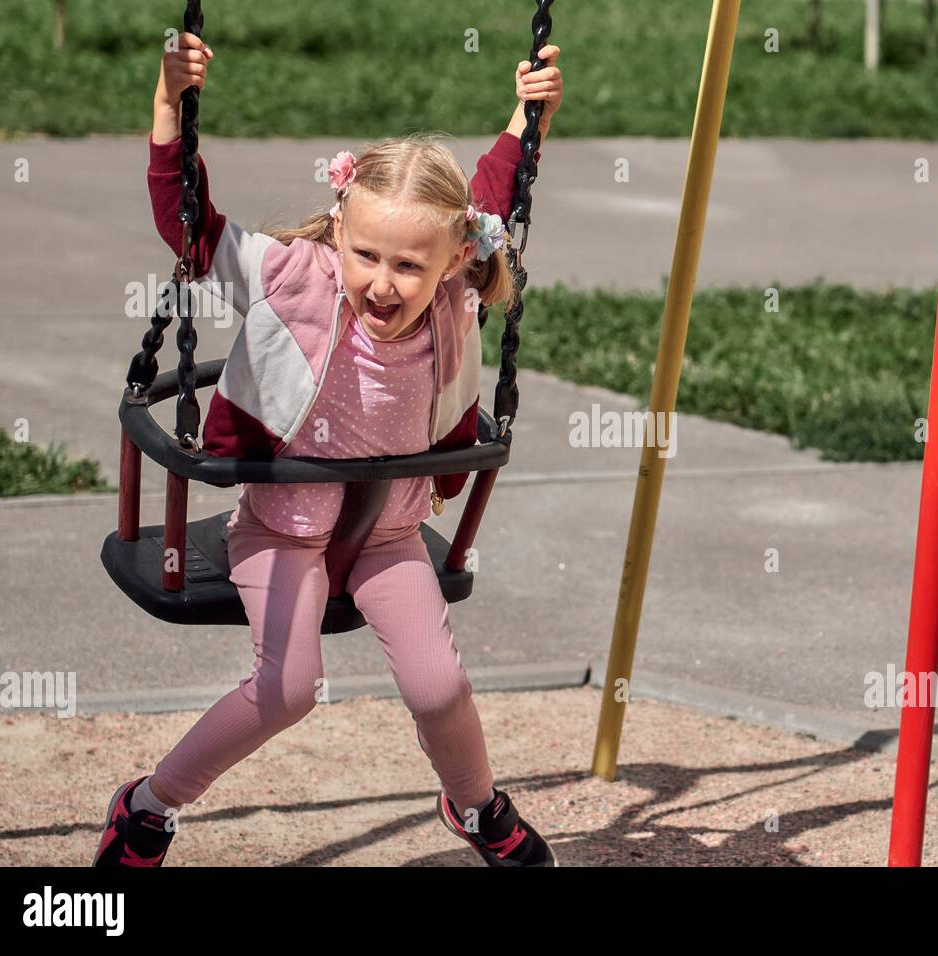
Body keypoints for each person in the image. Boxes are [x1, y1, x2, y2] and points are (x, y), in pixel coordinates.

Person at [94, 29, 563, 868]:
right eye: (367, 255)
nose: (383, 283)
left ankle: (477, 807)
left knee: (441, 685)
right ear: (338, 227)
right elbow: (190, 225)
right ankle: (148, 807)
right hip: (281, 528)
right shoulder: (291, 275)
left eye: (410, 267)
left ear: (454, 258)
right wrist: (169, 109)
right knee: (286, 689)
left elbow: (494, 191)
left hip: (388, 531)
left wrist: (528, 116)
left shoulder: (458, 294)